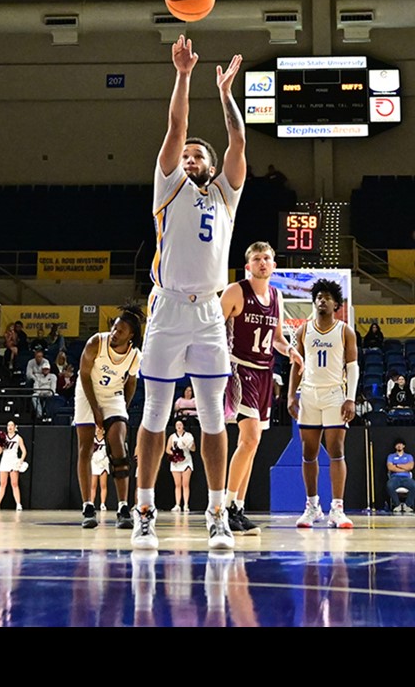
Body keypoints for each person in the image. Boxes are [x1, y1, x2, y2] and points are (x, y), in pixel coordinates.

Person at [131, 35, 246, 553]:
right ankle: (145, 511)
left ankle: (217, 512)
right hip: (168, 308)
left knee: (214, 417)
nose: (191, 157)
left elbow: (238, 143)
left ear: (211, 166)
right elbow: (176, 126)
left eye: (199, 155)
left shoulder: (225, 195)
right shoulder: (169, 186)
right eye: (187, 155)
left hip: (208, 314)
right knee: (155, 414)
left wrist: (225, 95)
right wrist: (184, 75)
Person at [220, 242, 283, 536]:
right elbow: (213, 327)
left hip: (264, 373)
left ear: (273, 265)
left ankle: (238, 508)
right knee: (250, 438)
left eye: (266, 258)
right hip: (239, 368)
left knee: (252, 444)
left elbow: (277, 338)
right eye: (257, 258)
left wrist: (291, 351)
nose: (262, 262)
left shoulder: (277, 296)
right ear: (248, 266)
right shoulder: (235, 291)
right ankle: (225, 507)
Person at [289, 278, 356, 529]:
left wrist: (350, 397)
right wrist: (290, 395)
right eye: (319, 297)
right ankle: (312, 506)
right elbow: (296, 365)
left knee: (336, 449)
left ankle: (337, 509)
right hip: (308, 394)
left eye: (327, 297)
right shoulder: (303, 330)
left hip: (334, 394)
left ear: (336, 304)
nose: (322, 300)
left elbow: (353, 367)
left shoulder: (345, 331)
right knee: (308, 452)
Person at [75, 306, 143, 530]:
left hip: (113, 395)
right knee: (86, 448)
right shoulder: (96, 342)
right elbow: (84, 375)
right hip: (87, 392)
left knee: (118, 447)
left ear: (130, 335)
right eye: (114, 328)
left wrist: (122, 409)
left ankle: (123, 507)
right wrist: (96, 410)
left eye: (120, 331)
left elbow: (131, 382)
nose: (115, 333)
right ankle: (88, 506)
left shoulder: (134, 355)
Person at [0, 420, 28, 510]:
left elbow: (24, 451)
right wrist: (0, 443)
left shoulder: (18, 438)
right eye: (8, 425)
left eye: (12, 425)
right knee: (2, 483)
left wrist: (21, 460)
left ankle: (18, 504)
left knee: (14, 483)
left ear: (15, 427)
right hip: (4, 461)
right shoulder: (3, 437)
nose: (10, 427)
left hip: (13, 461)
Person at [166, 418, 197, 512]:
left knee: (185, 484)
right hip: (176, 462)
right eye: (177, 425)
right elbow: (167, 449)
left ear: (183, 426)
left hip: (186, 460)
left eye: (180, 424)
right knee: (177, 484)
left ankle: (186, 505)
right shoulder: (172, 436)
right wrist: (174, 454)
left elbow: (193, 449)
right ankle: (177, 504)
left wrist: (188, 445)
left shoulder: (188, 435)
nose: (178, 426)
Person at [386, 439, 415, 513]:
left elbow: (410, 466)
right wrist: (404, 469)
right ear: (395, 446)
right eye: (397, 444)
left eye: (401, 444)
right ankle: (397, 505)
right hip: (395, 478)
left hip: (406, 478)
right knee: (389, 486)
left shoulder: (409, 456)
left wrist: (397, 465)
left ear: (404, 446)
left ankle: (407, 505)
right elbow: (390, 467)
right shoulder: (391, 456)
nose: (399, 446)